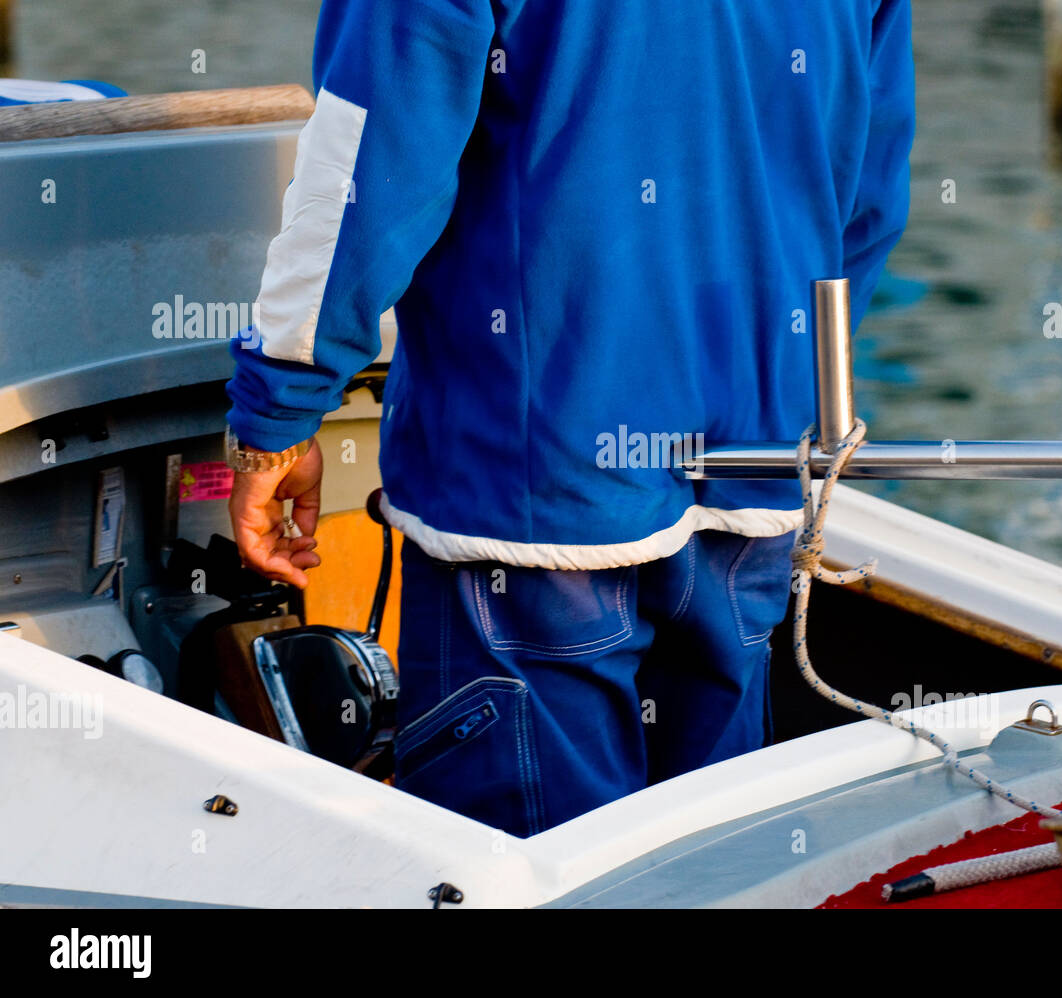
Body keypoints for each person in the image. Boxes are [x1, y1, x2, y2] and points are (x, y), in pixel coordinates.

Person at [225, 0, 914, 838]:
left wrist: (278, 414)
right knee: (712, 862)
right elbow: (868, 198)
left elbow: (365, 178)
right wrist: (779, 376)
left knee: (529, 860)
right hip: (753, 465)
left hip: (535, 485)